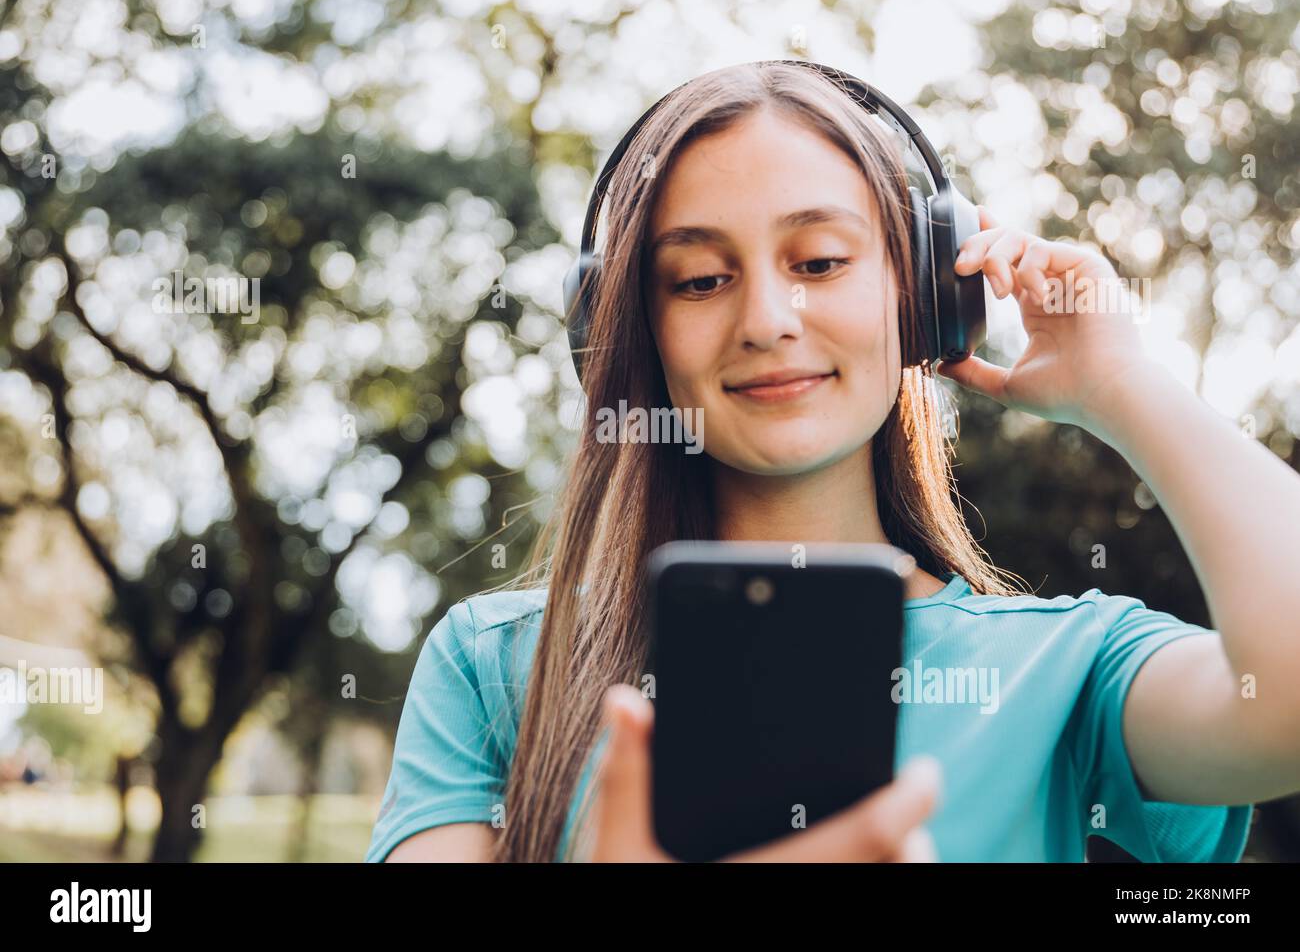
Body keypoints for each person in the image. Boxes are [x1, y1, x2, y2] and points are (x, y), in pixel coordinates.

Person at [366, 60, 1300, 863]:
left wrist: (1124, 384)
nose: (768, 319)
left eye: (818, 262)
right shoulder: (494, 665)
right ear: (630, 336)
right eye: (698, 279)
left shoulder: (1066, 666)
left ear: (925, 297)